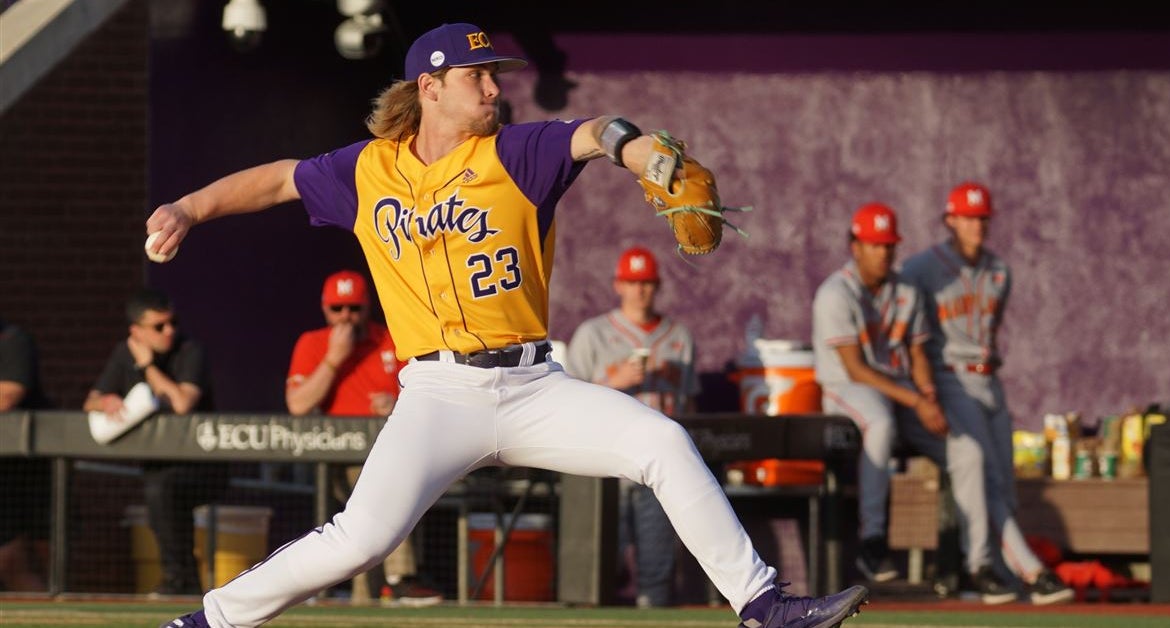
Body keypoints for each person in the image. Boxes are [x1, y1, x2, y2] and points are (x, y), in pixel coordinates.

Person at [154, 22, 867, 628]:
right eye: (478, 77)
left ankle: (762, 605)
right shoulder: (367, 170)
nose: (495, 89)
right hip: (437, 395)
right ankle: (208, 620)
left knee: (663, 442)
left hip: (533, 386)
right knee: (360, 540)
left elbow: (593, 134)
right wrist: (188, 208)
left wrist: (642, 151)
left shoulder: (515, 153)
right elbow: (281, 177)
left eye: (495, 76)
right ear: (430, 88)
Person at [813, 203, 1024, 604]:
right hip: (847, 390)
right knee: (879, 423)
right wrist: (917, 398)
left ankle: (977, 564)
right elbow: (855, 369)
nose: (883, 253)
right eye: (874, 245)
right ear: (855, 245)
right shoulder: (834, 292)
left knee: (968, 452)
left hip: (898, 390)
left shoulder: (905, 289)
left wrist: (928, 397)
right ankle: (873, 540)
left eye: (889, 245)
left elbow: (919, 355)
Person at [900, 182, 1072, 605]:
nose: (977, 224)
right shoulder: (922, 268)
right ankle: (1023, 570)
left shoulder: (999, 270)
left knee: (1004, 486)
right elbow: (907, 333)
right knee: (985, 476)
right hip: (950, 377)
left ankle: (997, 574)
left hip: (990, 378)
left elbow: (991, 330)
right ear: (950, 220)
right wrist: (923, 391)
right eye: (968, 216)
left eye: (982, 217)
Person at [286, 269, 441, 606]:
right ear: (326, 309)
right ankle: (401, 579)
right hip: (338, 461)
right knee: (378, 486)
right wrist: (333, 359)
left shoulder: (391, 340)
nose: (346, 317)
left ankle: (375, 596)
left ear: (367, 307)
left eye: (354, 308)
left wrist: (397, 400)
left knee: (390, 483)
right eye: (338, 309)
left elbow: (427, 394)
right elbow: (298, 404)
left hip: (391, 449)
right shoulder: (313, 343)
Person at [564, 246, 699, 608]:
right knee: (602, 564)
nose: (640, 290)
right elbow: (565, 402)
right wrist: (614, 380)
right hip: (605, 462)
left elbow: (690, 402)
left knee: (657, 568)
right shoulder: (592, 334)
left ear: (658, 286)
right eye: (633, 282)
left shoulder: (679, 337)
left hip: (657, 463)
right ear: (618, 285)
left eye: (647, 283)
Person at [84, 289, 224, 596]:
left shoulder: (190, 350)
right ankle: (182, 582)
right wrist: (105, 400)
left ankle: (178, 582)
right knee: (159, 486)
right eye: (159, 327)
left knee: (162, 489)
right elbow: (90, 401)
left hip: (203, 466)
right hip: (160, 466)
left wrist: (148, 366)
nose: (169, 330)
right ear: (137, 331)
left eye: (172, 322)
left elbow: (182, 403)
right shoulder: (124, 353)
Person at [0, 318, 49, 591]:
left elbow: (8, 395)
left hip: (29, 470)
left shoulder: (12, 339)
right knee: (9, 560)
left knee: (41, 557)